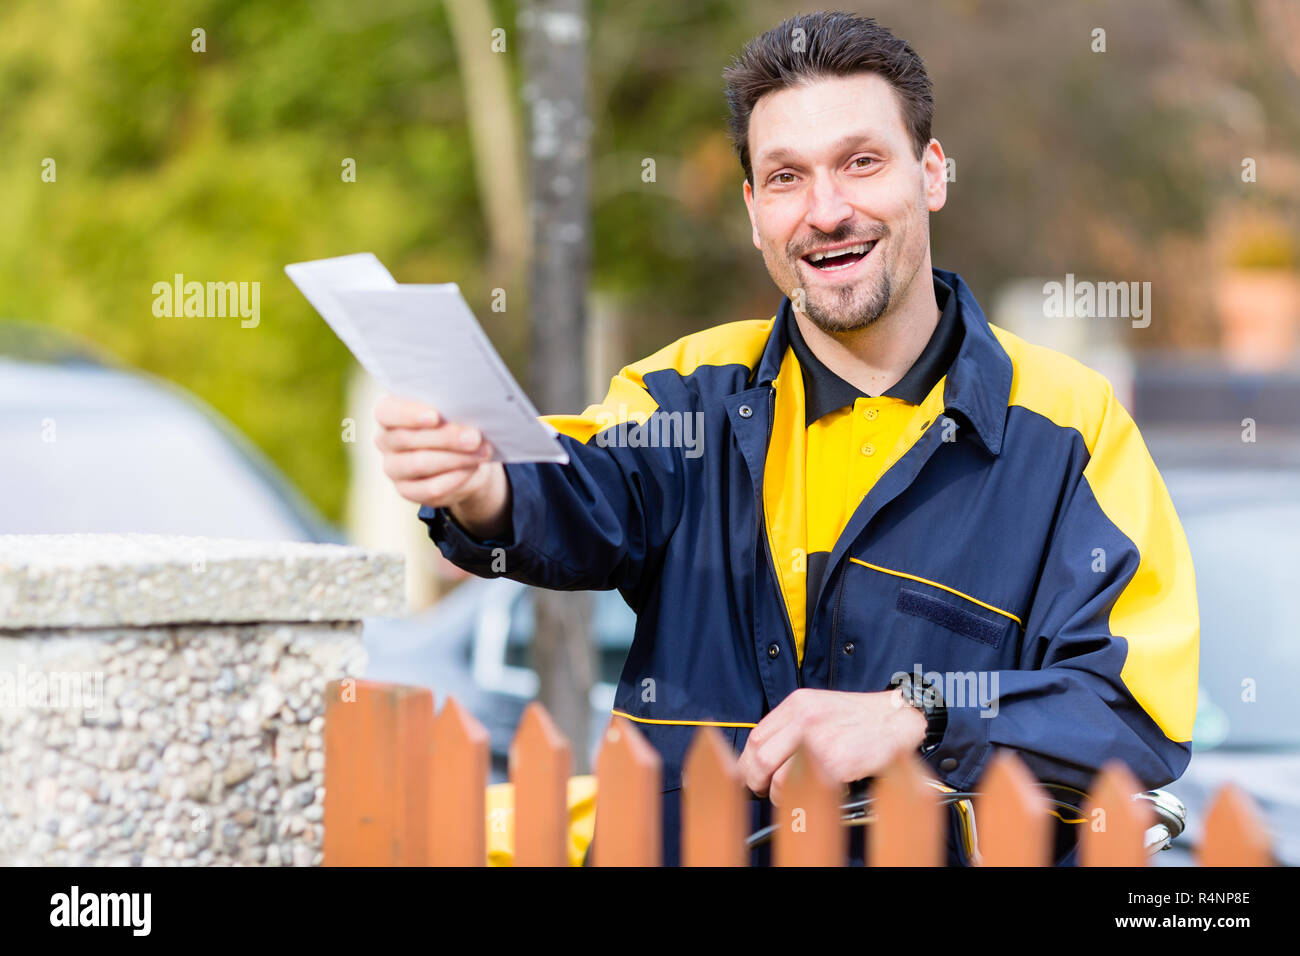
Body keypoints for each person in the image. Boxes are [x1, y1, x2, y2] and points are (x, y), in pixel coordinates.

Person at [374, 10, 1198, 866]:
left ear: (932, 173)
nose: (826, 210)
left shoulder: (1072, 427)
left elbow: (1132, 711)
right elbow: (578, 489)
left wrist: (917, 712)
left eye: (861, 162)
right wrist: (479, 485)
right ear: (753, 210)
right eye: (786, 177)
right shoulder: (684, 390)